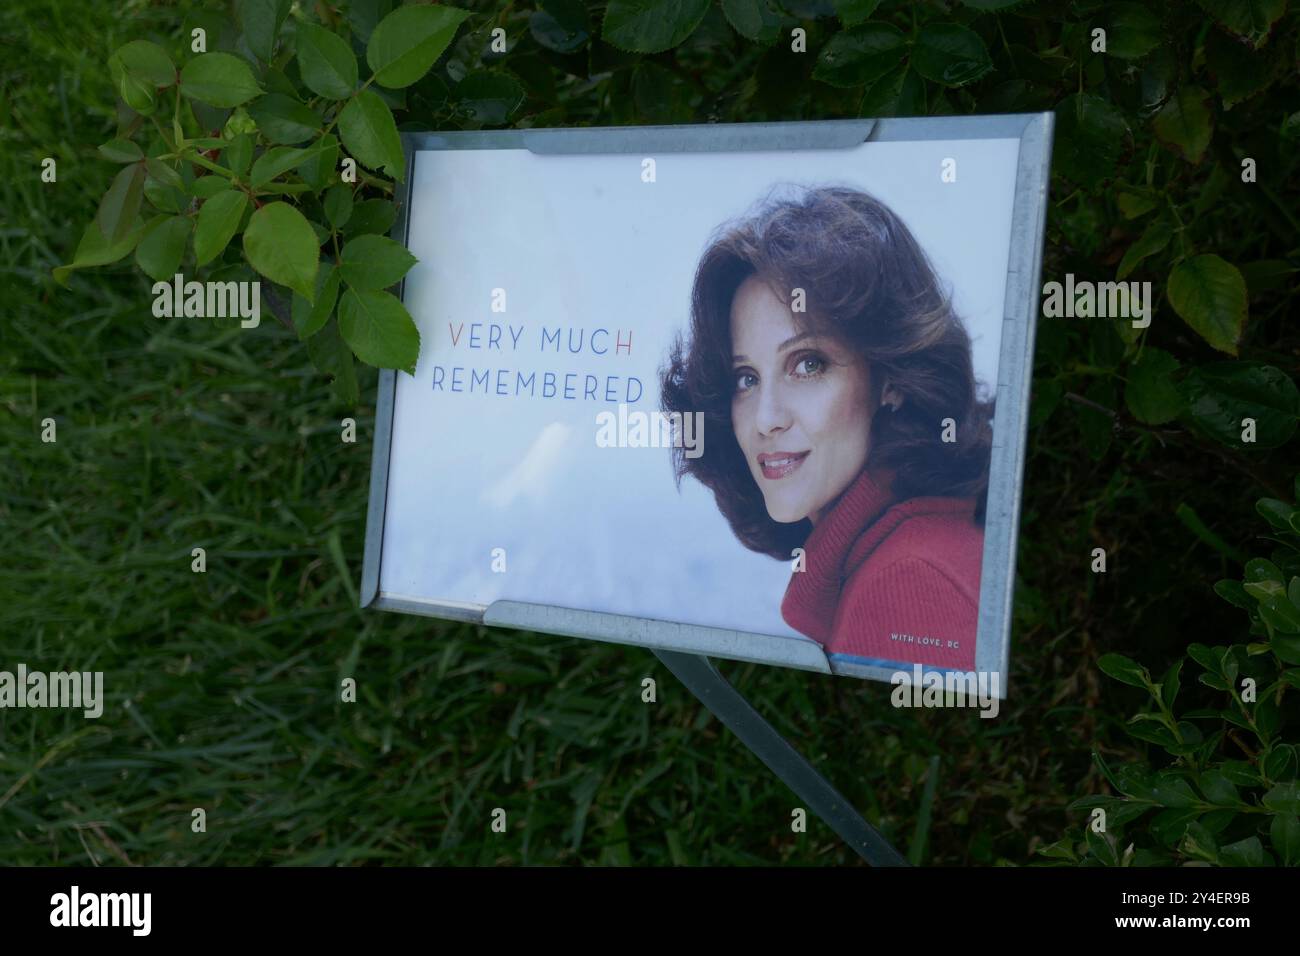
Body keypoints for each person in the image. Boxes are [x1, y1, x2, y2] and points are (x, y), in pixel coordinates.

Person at [660, 185, 993, 670]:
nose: (767, 418)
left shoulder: (906, 583)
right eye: (745, 378)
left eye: (808, 364)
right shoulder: (913, 545)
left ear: (889, 380)